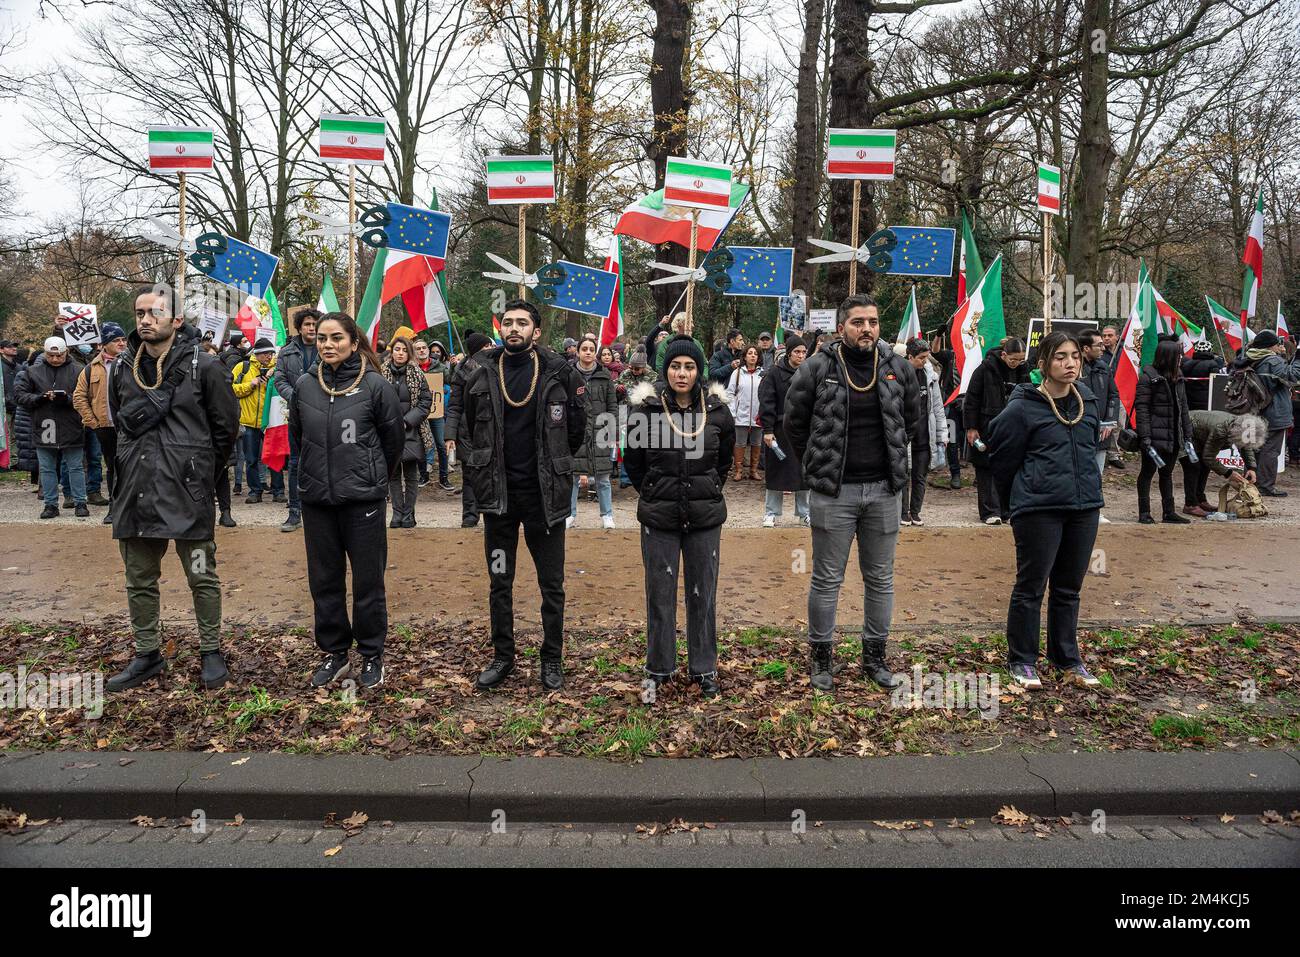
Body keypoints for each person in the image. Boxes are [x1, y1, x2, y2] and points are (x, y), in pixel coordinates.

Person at [106, 285, 240, 692]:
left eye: (154, 312)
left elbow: (225, 430)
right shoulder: (122, 366)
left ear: (177, 320)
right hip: (135, 492)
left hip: (188, 495)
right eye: (139, 312)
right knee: (139, 578)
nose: (145, 319)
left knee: (201, 574)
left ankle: (211, 650)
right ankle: (147, 653)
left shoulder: (206, 367)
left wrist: (197, 471)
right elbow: (119, 426)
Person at [784, 294, 920, 692]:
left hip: (884, 491)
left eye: (873, 322)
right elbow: (795, 424)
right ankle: (822, 659)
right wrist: (819, 465)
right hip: (833, 492)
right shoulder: (816, 367)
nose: (867, 329)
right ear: (842, 326)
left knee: (880, 578)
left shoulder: (897, 367)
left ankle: (875, 657)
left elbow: (909, 422)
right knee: (827, 578)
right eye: (858, 322)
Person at [452, 300, 585, 691]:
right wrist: (476, 464)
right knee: (499, 580)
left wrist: (554, 463)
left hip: (545, 499)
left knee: (552, 584)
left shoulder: (559, 372)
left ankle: (551, 659)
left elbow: (576, 428)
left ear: (536, 331)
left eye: (522, 323)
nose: (514, 328)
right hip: (499, 501)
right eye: (508, 322)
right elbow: (462, 421)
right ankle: (503, 656)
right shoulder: (481, 370)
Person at [290, 312, 403, 690]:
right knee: (324, 579)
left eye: (336, 338)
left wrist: (369, 479)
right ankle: (335, 653)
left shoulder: (375, 386)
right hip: (317, 499)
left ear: (354, 343)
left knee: (368, 581)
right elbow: (297, 439)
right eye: (322, 338)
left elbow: (393, 442)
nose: (327, 344)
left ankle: (372, 655)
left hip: (363, 501)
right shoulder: (305, 385)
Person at [986, 331, 1103, 689]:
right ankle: (1022, 660)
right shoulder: (1023, 406)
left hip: (1083, 508)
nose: (1069, 364)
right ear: (1043, 364)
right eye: (1060, 357)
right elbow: (1001, 457)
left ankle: (1067, 658)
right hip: (1038, 509)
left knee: (1069, 588)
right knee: (1031, 587)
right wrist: (1017, 502)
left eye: (1074, 357)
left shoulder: (1088, 401)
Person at [623, 335, 735, 697]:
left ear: (699, 370)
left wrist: (710, 486)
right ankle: (659, 667)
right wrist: (654, 491)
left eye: (689, 366)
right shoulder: (647, 410)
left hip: (704, 516)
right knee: (660, 593)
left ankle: (704, 668)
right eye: (675, 366)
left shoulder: (717, 411)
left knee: (703, 592)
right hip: (659, 517)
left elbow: (725, 461)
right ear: (665, 369)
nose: (681, 373)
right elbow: (635, 464)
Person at [16, 337, 88, 518]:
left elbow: (88, 396)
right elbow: (21, 396)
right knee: (47, 468)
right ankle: (50, 505)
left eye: (59, 355)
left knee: (75, 467)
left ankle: (81, 502)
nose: (55, 359)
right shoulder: (32, 371)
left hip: (71, 424)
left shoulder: (79, 370)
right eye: (51, 355)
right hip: (44, 424)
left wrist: (68, 399)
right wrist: (40, 398)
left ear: (66, 353)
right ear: (45, 353)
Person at [964, 337, 1028, 524]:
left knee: (1010, 469)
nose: (1016, 363)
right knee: (986, 469)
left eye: (1021, 359)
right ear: (1003, 354)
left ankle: (1006, 510)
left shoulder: (1024, 371)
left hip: (1015, 428)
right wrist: (971, 427)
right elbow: (971, 400)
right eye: (1013, 359)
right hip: (988, 425)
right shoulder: (984, 369)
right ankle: (989, 512)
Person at [1135, 337, 1194, 523]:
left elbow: (1184, 408)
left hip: (1174, 435)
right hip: (1154, 437)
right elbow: (1142, 409)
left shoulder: (1179, 378)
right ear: (1169, 357)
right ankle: (1144, 512)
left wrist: (1187, 434)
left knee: (1166, 474)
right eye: (1178, 355)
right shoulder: (1148, 379)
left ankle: (1169, 512)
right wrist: (1145, 436)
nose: (1181, 358)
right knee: (1147, 473)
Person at [73, 322, 126, 523]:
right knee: (112, 467)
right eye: (116, 340)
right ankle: (114, 509)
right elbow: (79, 397)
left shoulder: (132, 363)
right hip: (105, 427)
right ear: (104, 344)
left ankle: (134, 508)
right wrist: (93, 422)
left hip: (129, 427)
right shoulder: (90, 369)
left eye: (123, 339)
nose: (121, 343)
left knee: (133, 467)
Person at [1236, 330, 1300, 497]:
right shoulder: (1272, 360)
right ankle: (1265, 486)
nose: (1281, 346)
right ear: (1271, 346)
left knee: (1254, 449)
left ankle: (1250, 482)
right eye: (1278, 344)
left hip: (1253, 411)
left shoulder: (1251, 357)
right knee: (1270, 451)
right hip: (1274, 413)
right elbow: (1292, 377)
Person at [273, 306, 320, 532]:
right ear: (299, 328)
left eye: (314, 324)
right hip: (296, 415)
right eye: (307, 324)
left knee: (320, 461)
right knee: (295, 463)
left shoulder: (326, 348)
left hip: (322, 415)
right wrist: (296, 398)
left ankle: (319, 510)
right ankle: (294, 513)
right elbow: (279, 379)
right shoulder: (286, 352)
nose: (311, 328)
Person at [380, 336, 433, 528]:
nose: (400, 353)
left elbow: (426, 402)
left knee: (411, 476)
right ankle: (397, 514)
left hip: (412, 431)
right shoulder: (380, 373)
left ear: (408, 353)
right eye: (397, 349)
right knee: (393, 475)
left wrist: (406, 421)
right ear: (391, 351)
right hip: (388, 431)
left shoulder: (417, 373)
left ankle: (409, 514)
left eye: (403, 350)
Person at [757, 333, 808, 526]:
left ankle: (805, 512)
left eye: (804, 352)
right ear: (789, 353)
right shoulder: (774, 373)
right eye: (797, 351)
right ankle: (771, 512)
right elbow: (767, 402)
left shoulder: (809, 372)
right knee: (776, 471)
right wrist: (768, 429)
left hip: (803, 430)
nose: (801, 355)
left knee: (803, 473)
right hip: (779, 429)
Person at [444, 330, 494, 527]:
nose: (490, 350)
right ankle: (470, 515)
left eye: (490, 346)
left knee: (492, 474)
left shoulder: (498, 369)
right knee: (470, 475)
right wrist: (450, 435)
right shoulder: (461, 372)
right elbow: (455, 406)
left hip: (492, 428)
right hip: (468, 431)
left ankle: (492, 512)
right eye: (485, 347)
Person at [568, 337, 617, 529]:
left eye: (591, 349)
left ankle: (607, 515)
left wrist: (611, 431)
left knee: (603, 476)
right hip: (576, 430)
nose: (588, 352)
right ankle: (570, 514)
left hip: (600, 430)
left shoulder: (605, 377)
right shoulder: (570, 375)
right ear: (578, 352)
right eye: (584, 349)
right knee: (573, 475)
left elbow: (612, 405)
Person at [900, 338, 948, 526]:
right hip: (905, 436)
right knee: (903, 477)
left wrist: (942, 433)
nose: (925, 361)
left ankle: (916, 512)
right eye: (921, 358)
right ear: (910, 357)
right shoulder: (899, 374)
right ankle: (903, 512)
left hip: (925, 434)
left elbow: (937, 406)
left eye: (927, 357)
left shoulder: (930, 375)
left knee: (920, 475)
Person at [231, 338, 285, 504]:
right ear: (257, 354)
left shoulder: (278, 369)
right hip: (249, 423)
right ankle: (255, 491)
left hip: (271, 422)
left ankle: (278, 491)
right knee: (251, 458)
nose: (269, 356)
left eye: (271, 353)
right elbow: (230, 388)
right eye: (266, 353)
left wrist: (274, 375)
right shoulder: (243, 367)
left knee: (275, 456)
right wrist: (251, 384)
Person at [1182, 411, 1266, 516]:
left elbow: (1245, 446)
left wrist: (1251, 468)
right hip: (1184, 430)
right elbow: (1209, 457)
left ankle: (1200, 500)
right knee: (1193, 467)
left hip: (1198, 434)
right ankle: (1190, 505)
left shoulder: (1243, 427)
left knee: (1204, 466)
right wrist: (1228, 473)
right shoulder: (1220, 430)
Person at [1078, 329, 1121, 523]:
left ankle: (1094, 510)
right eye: (1098, 345)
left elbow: (1113, 395)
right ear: (1086, 348)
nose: (1103, 347)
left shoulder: (1104, 367)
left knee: (1097, 472)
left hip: (1103, 431)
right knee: (1079, 472)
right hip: (1080, 430)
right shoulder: (1075, 368)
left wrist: (1110, 422)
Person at [928, 330, 965, 489]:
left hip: (971, 404)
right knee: (952, 439)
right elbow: (935, 352)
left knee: (976, 438)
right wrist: (938, 335)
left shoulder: (977, 359)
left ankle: (979, 472)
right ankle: (955, 474)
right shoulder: (950, 356)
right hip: (951, 404)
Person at [416, 339, 454, 492]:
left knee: (441, 444)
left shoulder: (440, 367)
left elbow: (452, 381)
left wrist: (447, 388)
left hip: (436, 413)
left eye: (424, 347)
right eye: (418, 348)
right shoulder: (412, 368)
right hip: (419, 414)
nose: (422, 350)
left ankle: (444, 478)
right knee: (420, 445)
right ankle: (423, 475)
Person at [725, 344, 764, 480]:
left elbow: (767, 395)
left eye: (755, 354)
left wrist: (764, 413)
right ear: (745, 356)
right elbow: (729, 394)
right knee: (740, 443)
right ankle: (738, 470)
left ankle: (753, 470)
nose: (753, 356)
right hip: (740, 415)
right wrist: (733, 412)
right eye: (750, 353)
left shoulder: (763, 373)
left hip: (758, 416)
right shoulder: (737, 373)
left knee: (757, 443)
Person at [1181, 339, 1223, 412]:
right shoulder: (1213, 364)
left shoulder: (1186, 364)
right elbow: (1216, 384)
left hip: (1189, 400)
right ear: (1210, 350)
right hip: (1207, 401)